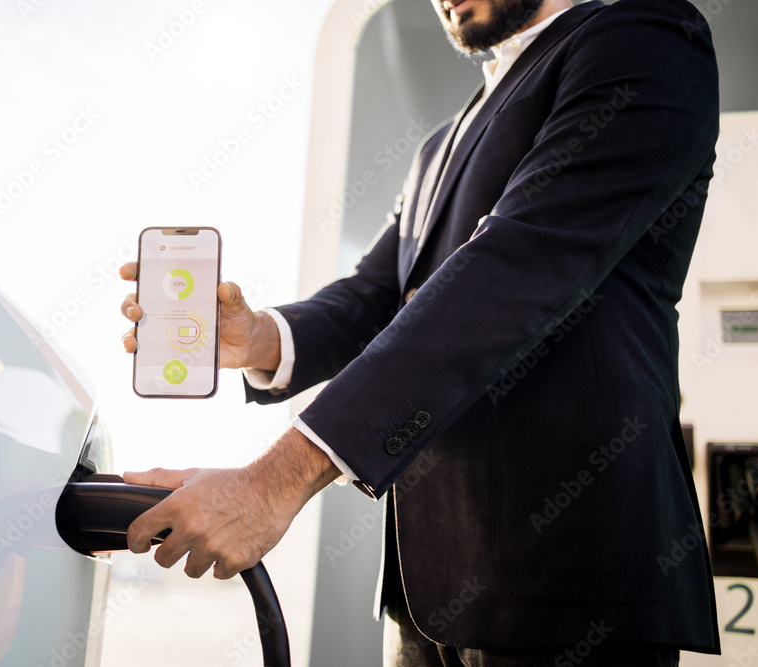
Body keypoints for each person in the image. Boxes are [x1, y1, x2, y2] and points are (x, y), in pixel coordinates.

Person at [119, 0, 722, 663]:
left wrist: (274, 479)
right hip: (427, 593)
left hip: (574, 583)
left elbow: (519, 266)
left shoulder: (647, 38)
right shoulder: (439, 145)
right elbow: (377, 296)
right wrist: (259, 337)